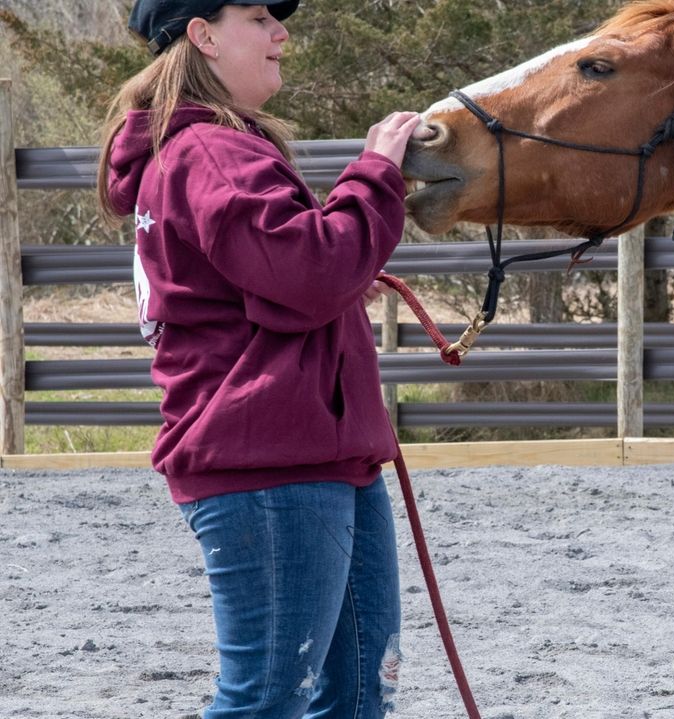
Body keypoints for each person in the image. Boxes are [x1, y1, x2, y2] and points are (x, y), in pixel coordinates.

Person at [96, 1, 422, 716]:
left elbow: (285, 279)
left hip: (311, 453)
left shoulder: (203, 151)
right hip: (271, 460)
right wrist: (374, 177)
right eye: (257, 16)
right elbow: (310, 273)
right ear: (202, 35)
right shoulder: (213, 152)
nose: (281, 34)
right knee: (265, 701)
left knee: (359, 691)